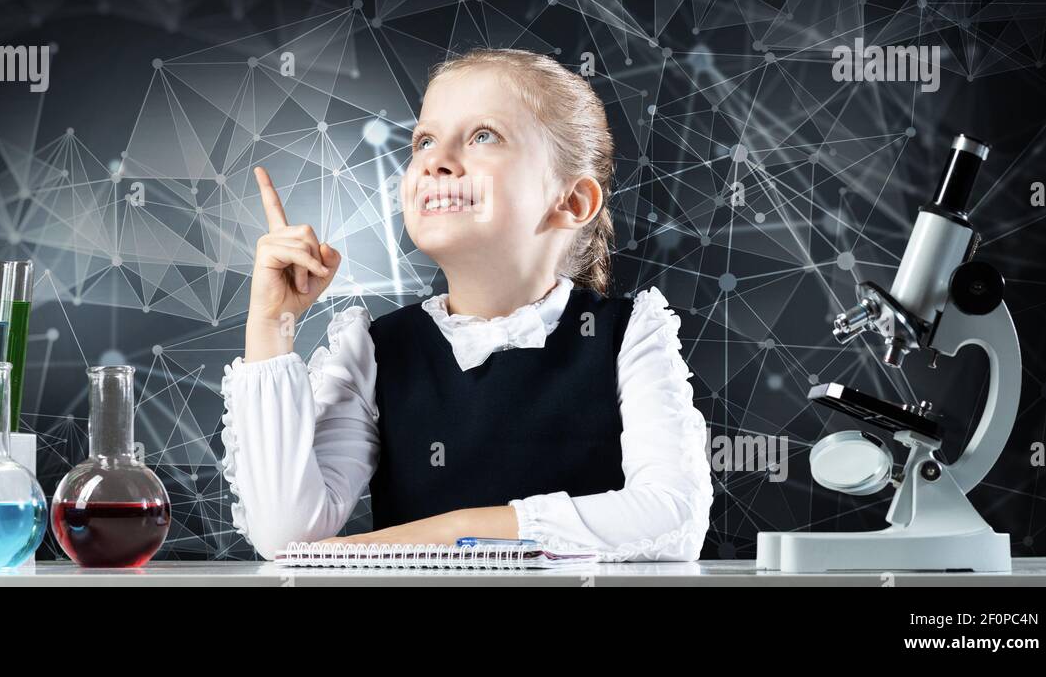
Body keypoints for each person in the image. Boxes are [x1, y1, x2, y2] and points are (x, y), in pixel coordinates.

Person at [221, 47, 712, 561]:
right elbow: (286, 534)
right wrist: (270, 325)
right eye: (425, 140)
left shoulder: (628, 335)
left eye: (483, 136)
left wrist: (455, 531)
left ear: (572, 202)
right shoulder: (374, 350)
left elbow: (673, 517)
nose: (434, 160)